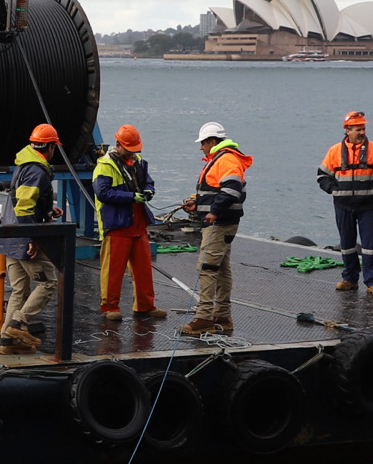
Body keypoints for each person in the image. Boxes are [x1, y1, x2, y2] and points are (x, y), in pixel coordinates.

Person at [179, 121, 252, 335]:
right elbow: (217, 191)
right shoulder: (223, 159)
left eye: (203, 143)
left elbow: (231, 190)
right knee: (220, 268)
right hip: (224, 223)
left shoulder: (226, 160)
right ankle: (222, 315)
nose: (201, 147)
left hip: (219, 225)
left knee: (207, 268)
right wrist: (197, 204)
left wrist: (213, 212)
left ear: (212, 141)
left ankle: (203, 318)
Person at [1, 122, 65, 352]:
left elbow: (22, 200)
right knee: (48, 283)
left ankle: (7, 342)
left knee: (20, 291)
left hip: (9, 235)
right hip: (22, 239)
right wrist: (32, 239)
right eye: (54, 147)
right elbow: (25, 208)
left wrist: (48, 211)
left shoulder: (23, 164)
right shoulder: (38, 170)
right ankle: (18, 324)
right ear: (49, 147)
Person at [91, 124, 162, 323]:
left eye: (135, 150)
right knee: (113, 270)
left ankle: (145, 306)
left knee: (143, 269)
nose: (133, 153)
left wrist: (148, 191)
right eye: (130, 150)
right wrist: (131, 196)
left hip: (138, 224)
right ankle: (109, 306)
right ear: (119, 146)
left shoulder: (137, 161)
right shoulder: (104, 166)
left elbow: (148, 181)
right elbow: (102, 193)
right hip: (117, 226)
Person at [317, 111, 373, 295]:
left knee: (371, 246)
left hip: (366, 206)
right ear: (347, 130)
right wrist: (333, 190)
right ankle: (350, 279)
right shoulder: (334, 151)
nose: (361, 132)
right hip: (343, 205)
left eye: (363, 128)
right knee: (347, 244)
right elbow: (322, 175)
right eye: (358, 129)